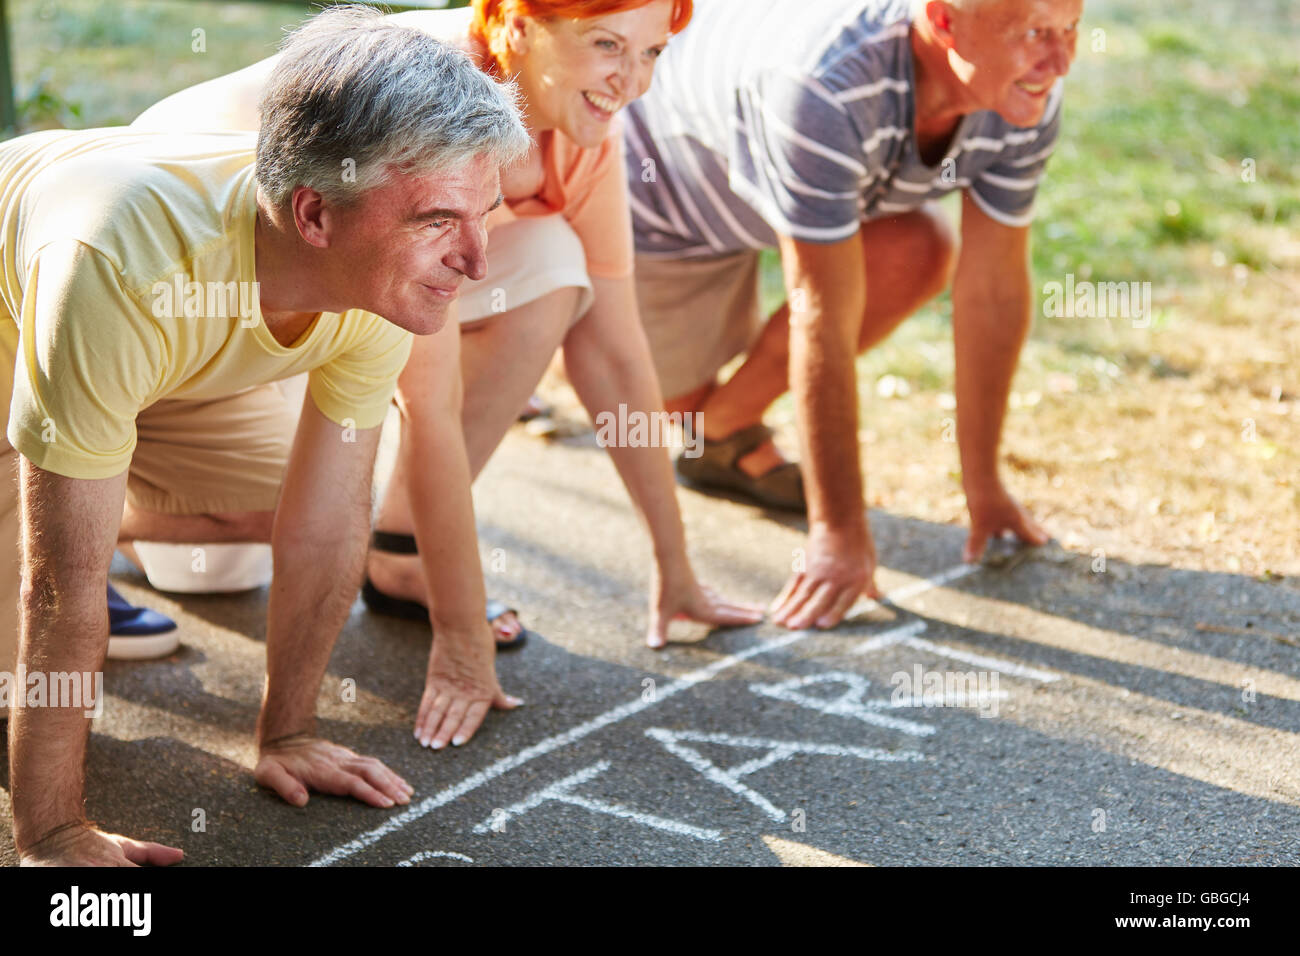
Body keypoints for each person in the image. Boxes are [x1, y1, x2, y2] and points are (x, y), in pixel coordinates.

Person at [133, 0, 764, 754]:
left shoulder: (581, 130)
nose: (634, 81)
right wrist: (462, 644)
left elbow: (616, 347)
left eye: (653, 53)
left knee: (556, 262)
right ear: (523, 25)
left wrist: (676, 567)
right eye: (607, 45)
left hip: (313, 293)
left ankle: (399, 549)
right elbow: (426, 403)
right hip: (179, 295)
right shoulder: (432, 107)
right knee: (282, 527)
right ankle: (67, 507)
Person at [2, 7, 531, 865]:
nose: (476, 260)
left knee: (317, 501)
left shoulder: (374, 277)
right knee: (41, 600)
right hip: (38, 347)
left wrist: (289, 732)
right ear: (315, 215)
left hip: (147, 368)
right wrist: (53, 834)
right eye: (437, 221)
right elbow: (61, 585)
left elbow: (325, 524)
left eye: (485, 215)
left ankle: (91, 494)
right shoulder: (118, 260)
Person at [623, 0, 1078, 628]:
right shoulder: (824, 86)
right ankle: (681, 408)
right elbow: (821, 314)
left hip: (780, 200)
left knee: (921, 249)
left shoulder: (1022, 92)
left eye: (1071, 28)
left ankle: (722, 433)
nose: (1060, 61)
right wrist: (836, 532)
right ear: (943, 21)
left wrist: (986, 488)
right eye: (1034, 33)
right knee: (652, 414)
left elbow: (992, 293)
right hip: (659, 208)